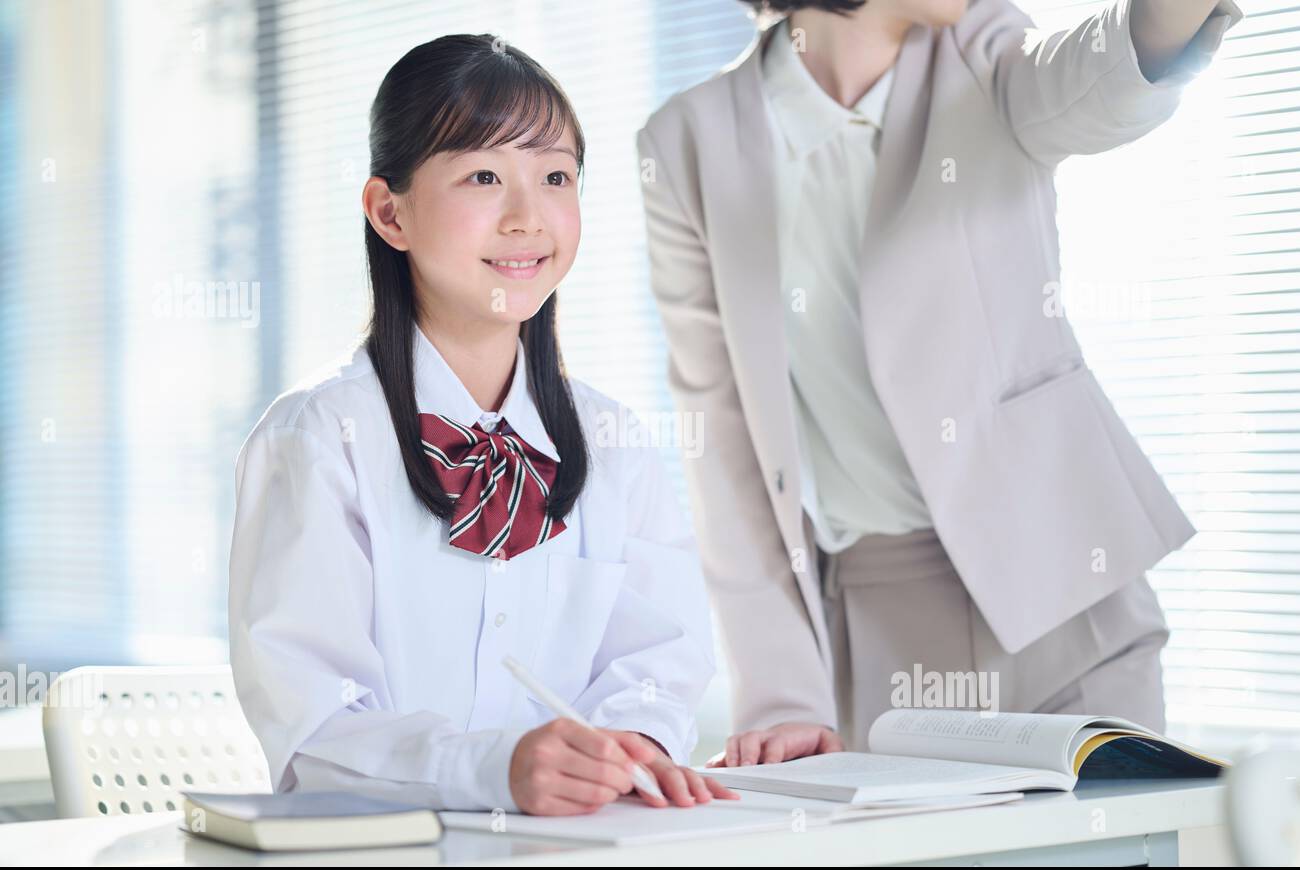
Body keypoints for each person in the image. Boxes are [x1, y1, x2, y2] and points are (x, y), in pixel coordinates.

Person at [635, 0, 1243, 765]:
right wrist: (782, 691)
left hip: (1066, 597)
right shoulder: (687, 142)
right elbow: (720, 442)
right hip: (880, 631)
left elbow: (1106, 71)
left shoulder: (986, 51)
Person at [228, 33, 737, 815]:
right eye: (485, 175)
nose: (528, 216)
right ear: (389, 213)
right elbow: (314, 733)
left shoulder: (614, 442)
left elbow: (660, 660)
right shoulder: (319, 439)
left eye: (557, 176)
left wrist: (633, 745)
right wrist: (491, 770)